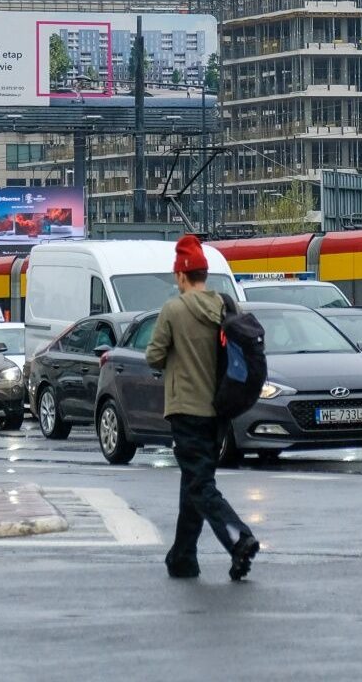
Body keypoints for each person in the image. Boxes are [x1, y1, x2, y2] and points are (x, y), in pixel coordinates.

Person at [145, 234, 258, 581]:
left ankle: (238, 537)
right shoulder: (224, 305)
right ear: (204, 274)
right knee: (194, 481)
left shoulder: (174, 310)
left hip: (186, 410)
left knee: (200, 486)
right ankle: (182, 557)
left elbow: (153, 356)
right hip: (218, 411)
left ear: (181, 275)